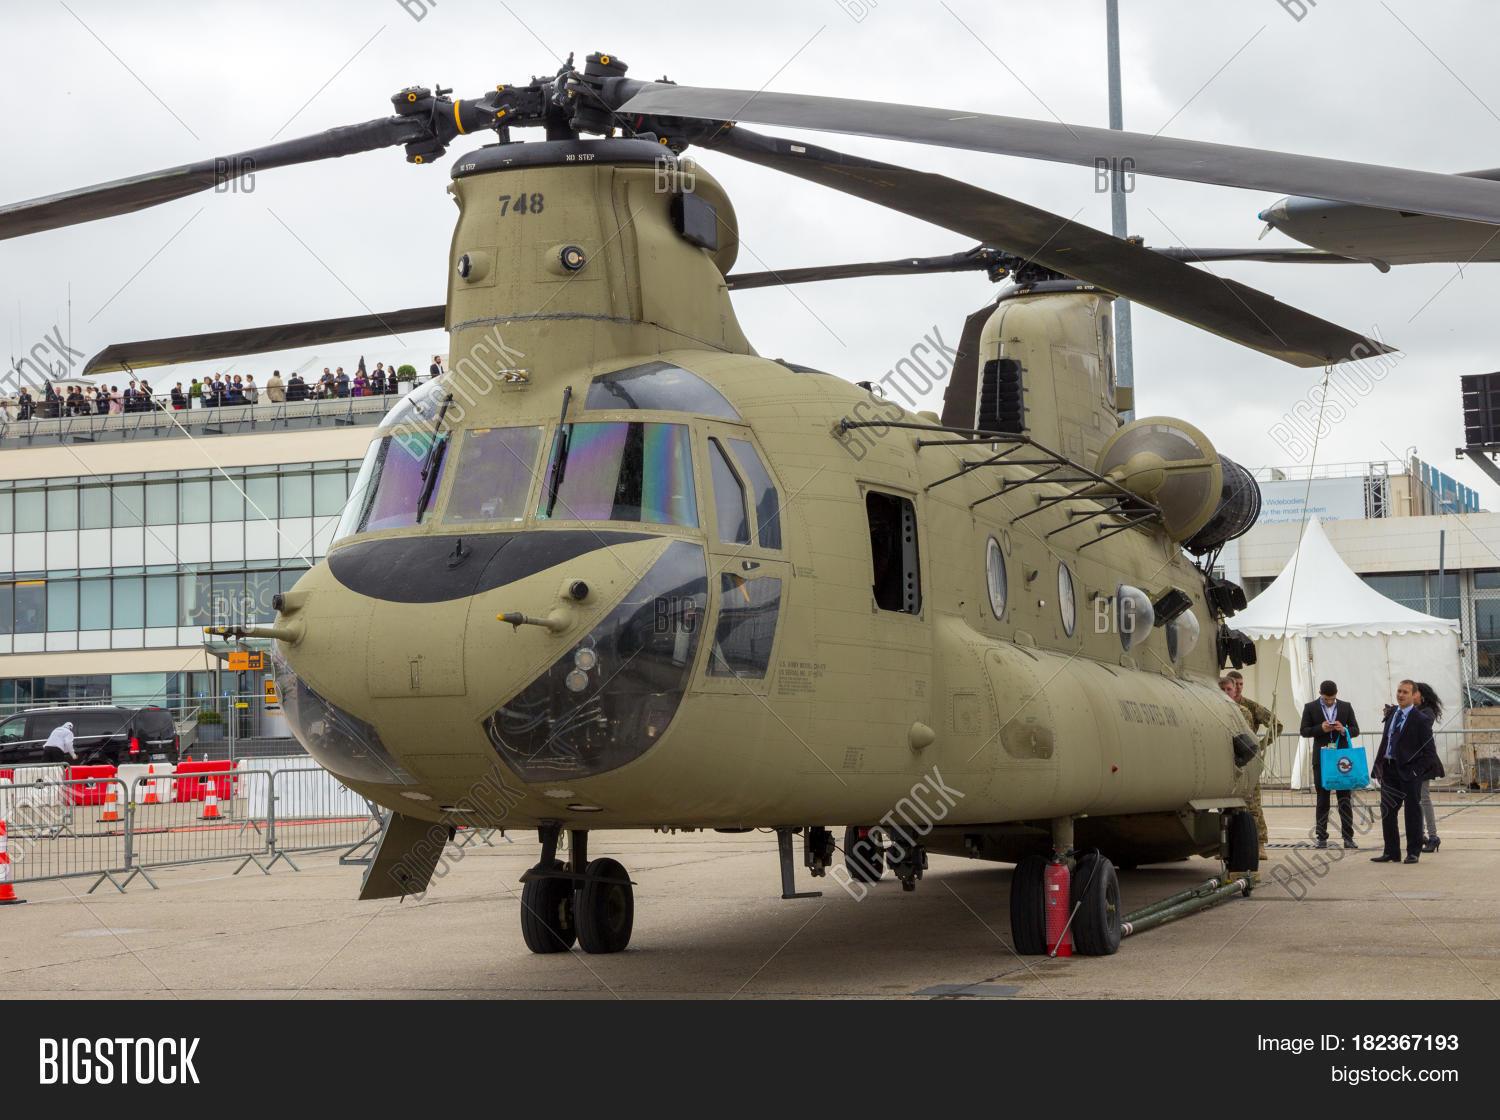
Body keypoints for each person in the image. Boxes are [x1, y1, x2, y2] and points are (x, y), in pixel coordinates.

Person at [1371, 679, 1439, 863]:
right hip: (1389, 769)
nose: (1400, 695)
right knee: (1387, 811)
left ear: (1414, 695)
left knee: (1412, 812)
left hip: (1409, 772)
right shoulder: (1392, 713)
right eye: (1399, 691)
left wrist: (1416, 772)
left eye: (1405, 692)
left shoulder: (1421, 719)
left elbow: (1430, 753)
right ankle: (1391, 852)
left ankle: (1413, 851)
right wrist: (1380, 766)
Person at [1299, 679, 1360, 849]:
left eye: (1332, 699)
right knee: (1323, 798)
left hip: (1341, 759)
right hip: (1322, 758)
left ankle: (1348, 837)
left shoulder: (1345, 707)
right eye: (1326, 699)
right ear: (1320, 694)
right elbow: (1304, 731)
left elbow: (1355, 729)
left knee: (1344, 798)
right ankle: (1321, 836)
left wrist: (1343, 729)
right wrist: (1321, 729)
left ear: (1337, 694)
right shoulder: (1310, 707)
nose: (1330, 702)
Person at [1225, 669, 1277, 858]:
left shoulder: (1249, 708)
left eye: (1240, 685)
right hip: (1228, 761)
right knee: (1228, 804)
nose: (1237, 689)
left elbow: (1276, 724)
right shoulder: (1221, 705)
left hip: (1249, 760)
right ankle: (1227, 844)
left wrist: (1261, 745)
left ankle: (1260, 842)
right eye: (1234, 685)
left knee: (1253, 804)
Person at [1412, 682, 1446, 853]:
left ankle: (1433, 836)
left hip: (1424, 761)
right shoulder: (1412, 711)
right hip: (1411, 761)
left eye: (1413, 693)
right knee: (1415, 800)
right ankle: (1420, 835)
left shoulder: (1426, 712)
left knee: (1424, 798)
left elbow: (1420, 726)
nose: (1410, 695)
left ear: (1421, 695)